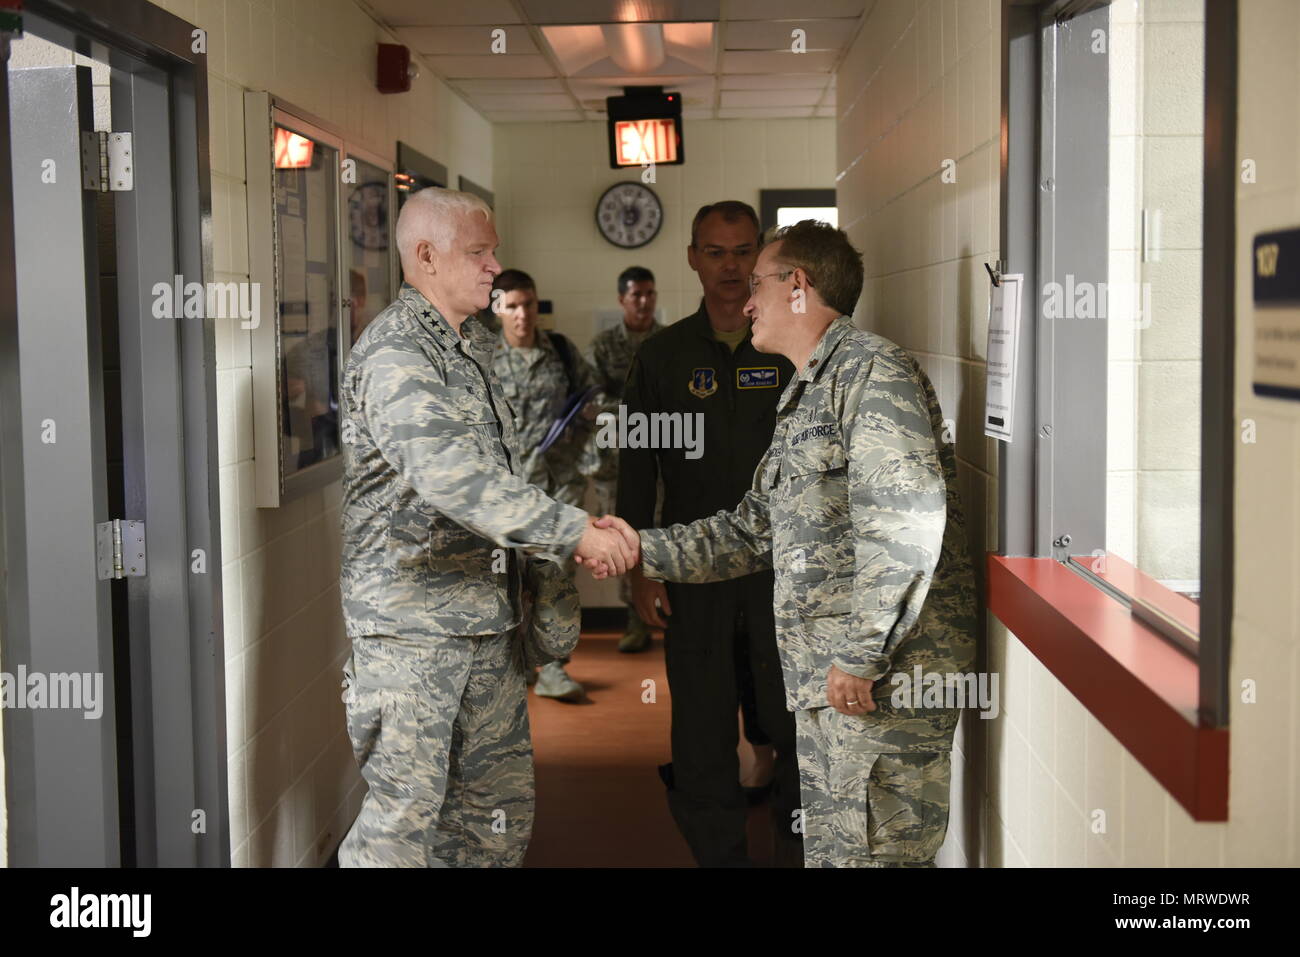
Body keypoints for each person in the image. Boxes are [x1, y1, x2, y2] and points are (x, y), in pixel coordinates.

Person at [590, 219, 978, 867]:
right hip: (833, 686)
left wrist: (861, 653)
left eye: (760, 283)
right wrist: (635, 549)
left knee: (874, 856)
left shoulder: (870, 374)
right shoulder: (805, 390)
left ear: (798, 287)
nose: (747, 302)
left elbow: (906, 524)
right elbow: (747, 530)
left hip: (876, 684)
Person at [337, 187, 638, 867]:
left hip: (485, 626)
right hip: (412, 632)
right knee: (403, 827)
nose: (494, 265)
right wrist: (574, 531)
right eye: (479, 251)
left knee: (494, 820)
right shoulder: (397, 355)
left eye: (493, 250)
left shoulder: (472, 344)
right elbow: (452, 477)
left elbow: (505, 476)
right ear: (426, 256)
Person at [616, 201, 801, 868]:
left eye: (744, 250)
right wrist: (639, 565)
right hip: (695, 579)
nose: (731, 265)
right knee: (700, 734)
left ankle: (796, 851)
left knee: (792, 726)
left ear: (762, 257)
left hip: (784, 577)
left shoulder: (788, 347)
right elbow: (638, 469)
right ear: (693, 258)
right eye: (716, 251)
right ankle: (720, 855)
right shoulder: (662, 358)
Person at [490, 268, 602, 701]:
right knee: (509, 577)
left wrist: (591, 446)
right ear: (498, 309)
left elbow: (592, 400)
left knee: (557, 576)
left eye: (529, 304)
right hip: (508, 492)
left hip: (558, 487)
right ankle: (518, 663)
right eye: (512, 306)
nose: (522, 315)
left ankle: (554, 667)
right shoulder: (484, 358)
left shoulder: (559, 349)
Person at [586, 265, 662, 652]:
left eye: (650, 294)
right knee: (620, 535)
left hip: (663, 457)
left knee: (658, 530)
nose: (645, 302)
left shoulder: (669, 342)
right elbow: (592, 405)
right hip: (613, 462)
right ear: (622, 300)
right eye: (636, 295)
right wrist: (638, 413)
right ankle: (634, 618)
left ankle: (663, 609)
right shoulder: (602, 346)